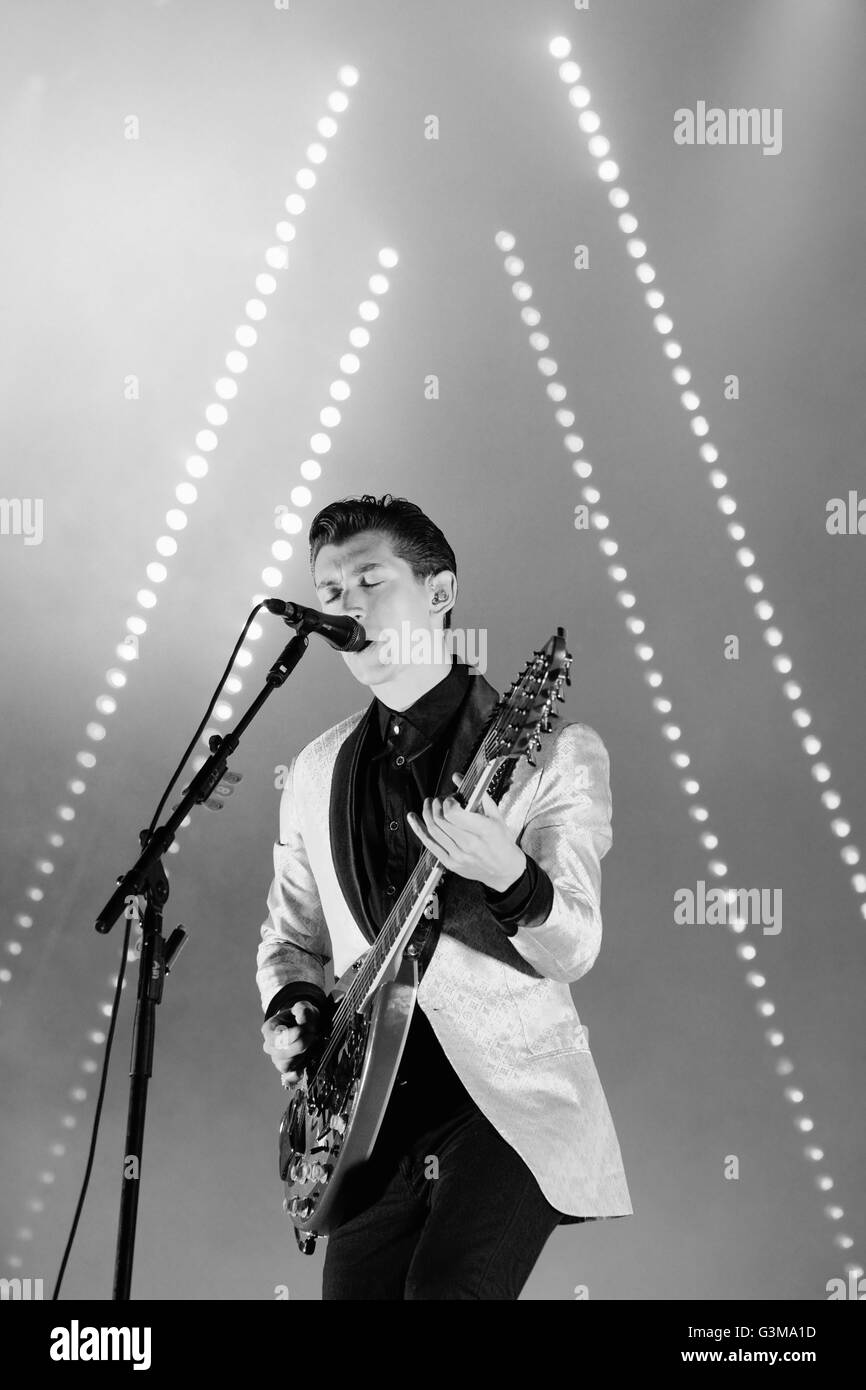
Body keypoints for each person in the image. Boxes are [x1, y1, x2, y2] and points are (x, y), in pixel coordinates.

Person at [258, 493, 632, 1299]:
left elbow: (574, 946)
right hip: (366, 1123)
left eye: (368, 580)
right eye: (329, 594)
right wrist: (290, 1007)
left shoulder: (553, 756)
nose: (345, 607)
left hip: (506, 1105)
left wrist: (510, 877)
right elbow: (290, 938)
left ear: (438, 591)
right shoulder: (316, 769)